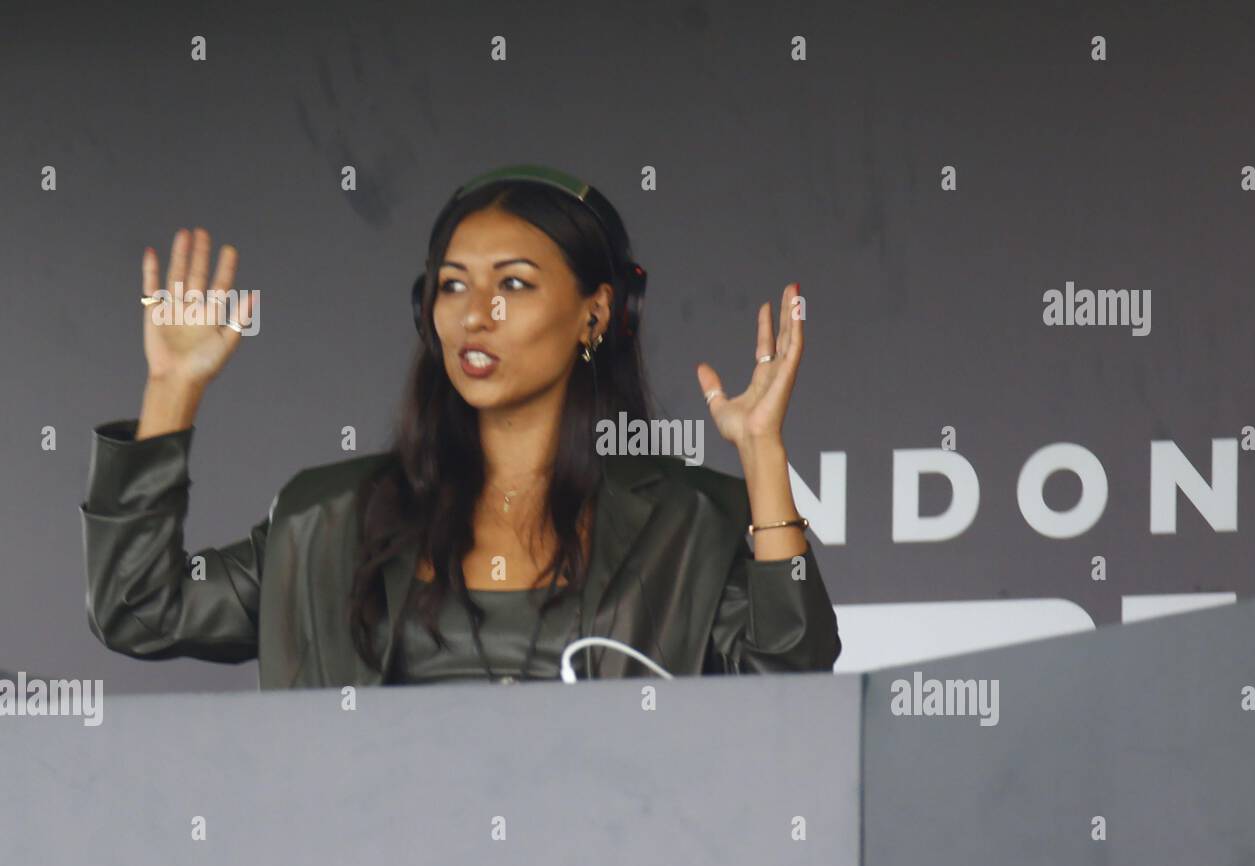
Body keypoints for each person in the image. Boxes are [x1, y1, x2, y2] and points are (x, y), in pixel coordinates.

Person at [80, 164, 841, 688]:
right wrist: (171, 391)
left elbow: (792, 681)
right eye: (453, 285)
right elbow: (139, 607)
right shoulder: (327, 518)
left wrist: (763, 454)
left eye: (513, 282)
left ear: (596, 311)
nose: (477, 312)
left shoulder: (692, 520)